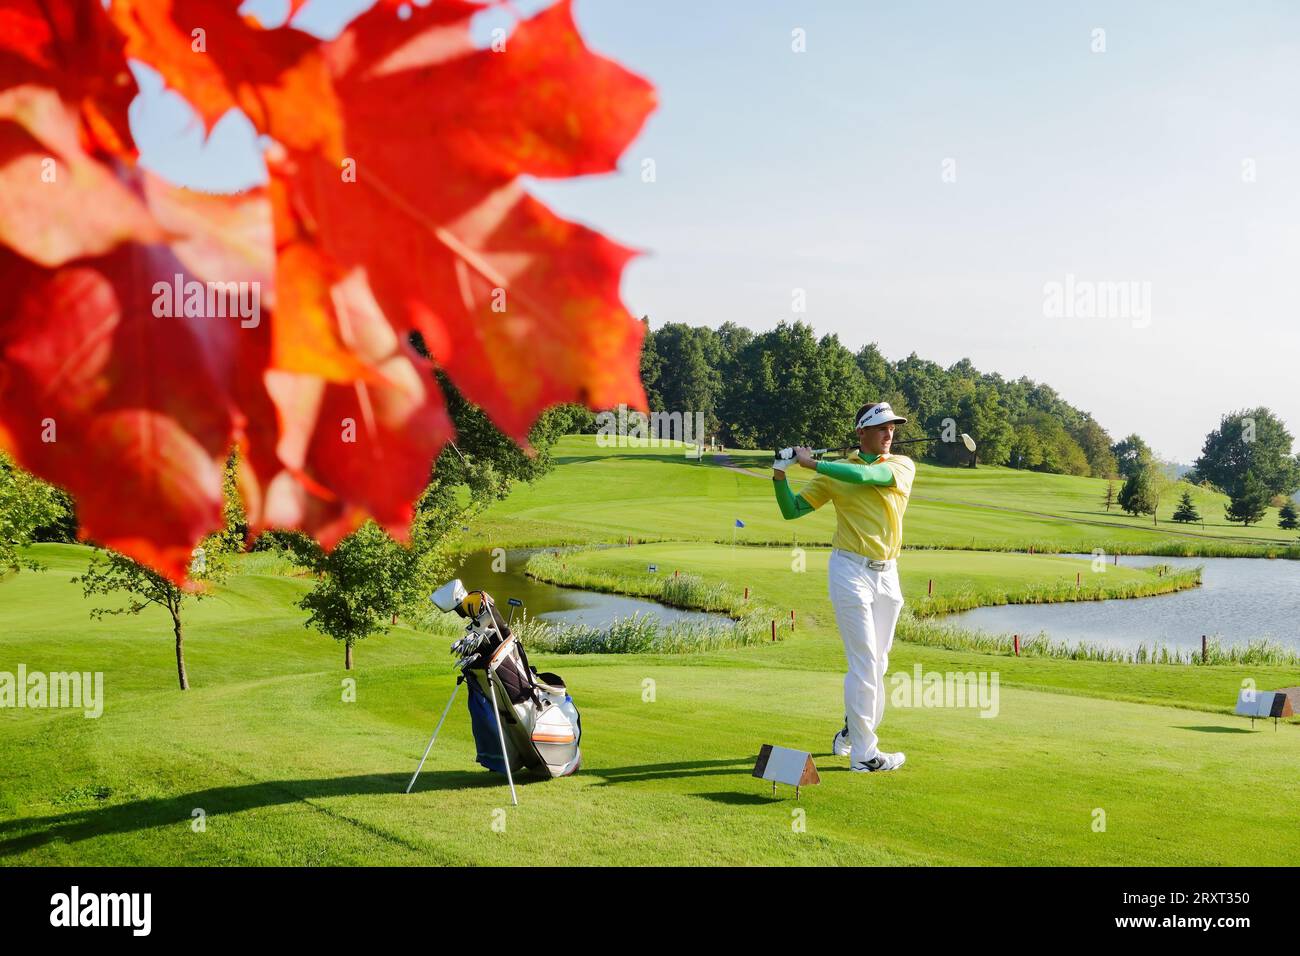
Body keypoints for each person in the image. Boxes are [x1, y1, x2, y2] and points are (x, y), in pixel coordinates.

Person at [771, 402, 916, 772]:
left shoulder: (901, 466)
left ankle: (853, 730)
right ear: (861, 433)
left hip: (888, 573)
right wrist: (779, 474)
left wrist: (811, 463)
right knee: (865, 661)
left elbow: (868, 479)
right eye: (882, 427)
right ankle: (866, 756)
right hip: (850, 570)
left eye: (893, 428)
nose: (889, 434)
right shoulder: (838, 474)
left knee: (878, 664)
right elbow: (793, 511)